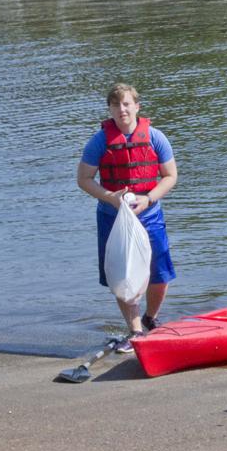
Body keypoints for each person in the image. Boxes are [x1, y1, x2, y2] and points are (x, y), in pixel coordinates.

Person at [77, 83, 179, 348]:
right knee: (123, 275)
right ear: (110, 109)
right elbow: (84, 179)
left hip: (149, 213)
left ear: (136, 106)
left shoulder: (156, 137)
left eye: (126, 104)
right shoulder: (99, 141)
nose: (121, 109)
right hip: (114, 217)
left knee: (160, 274)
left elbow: (170, 176)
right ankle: (135, 331)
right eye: (115, 105)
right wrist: (110, 197)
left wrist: (149, 198)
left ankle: (150, 318)